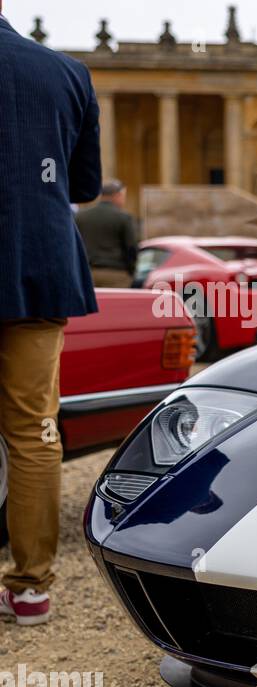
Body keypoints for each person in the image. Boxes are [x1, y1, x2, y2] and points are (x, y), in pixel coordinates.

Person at [0, 4, 102, 626]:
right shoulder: (66, 72)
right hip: (37, 267)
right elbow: (84, 185)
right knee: (34, 430)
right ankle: (31, 587)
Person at [75, 179, 138, 287]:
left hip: (88, 274)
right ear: (118, 195)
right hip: (117, 274)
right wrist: (130, 271)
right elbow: (131, 248)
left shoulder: (80, 216)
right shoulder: (124, 218)